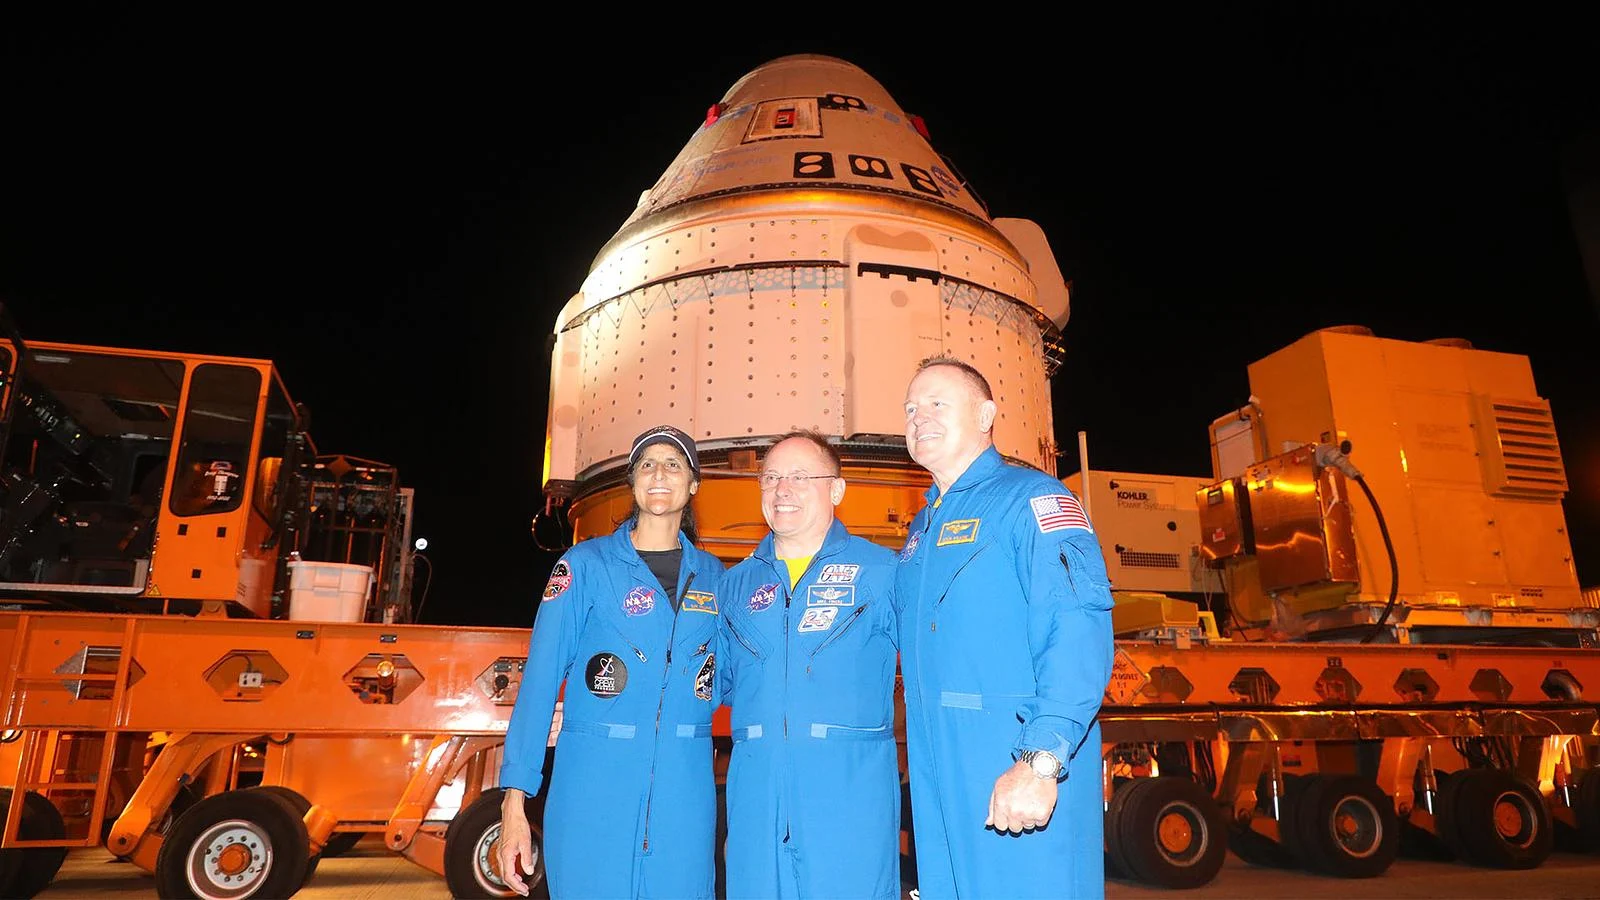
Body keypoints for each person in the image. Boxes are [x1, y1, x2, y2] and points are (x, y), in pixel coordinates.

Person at [896, 356, 1115, 899]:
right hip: (938, 770)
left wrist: (1041, 760)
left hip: (1010, 759)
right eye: (910, 408)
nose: (919, 417)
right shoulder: (921, 531)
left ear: (986, 414)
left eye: (937, 403)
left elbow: (1077, 630)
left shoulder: (1033, 500)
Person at [497, 424, 726, 898]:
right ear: (632, 482)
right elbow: (539, 685)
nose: (658, 473)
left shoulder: (717, 578)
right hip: (593, 792)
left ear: (693, 484)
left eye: (672, 464)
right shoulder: (584, 567)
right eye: (646, 464)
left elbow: (731, 680)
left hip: (684, 798)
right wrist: (514, 802)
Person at [716, 430, 901, 899]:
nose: (782, 489)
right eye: (771, 477)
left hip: (848, 800)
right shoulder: (733, 586)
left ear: (836, 489)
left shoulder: (882, 572)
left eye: (800, 476)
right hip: (756, 800)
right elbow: (719, 684)